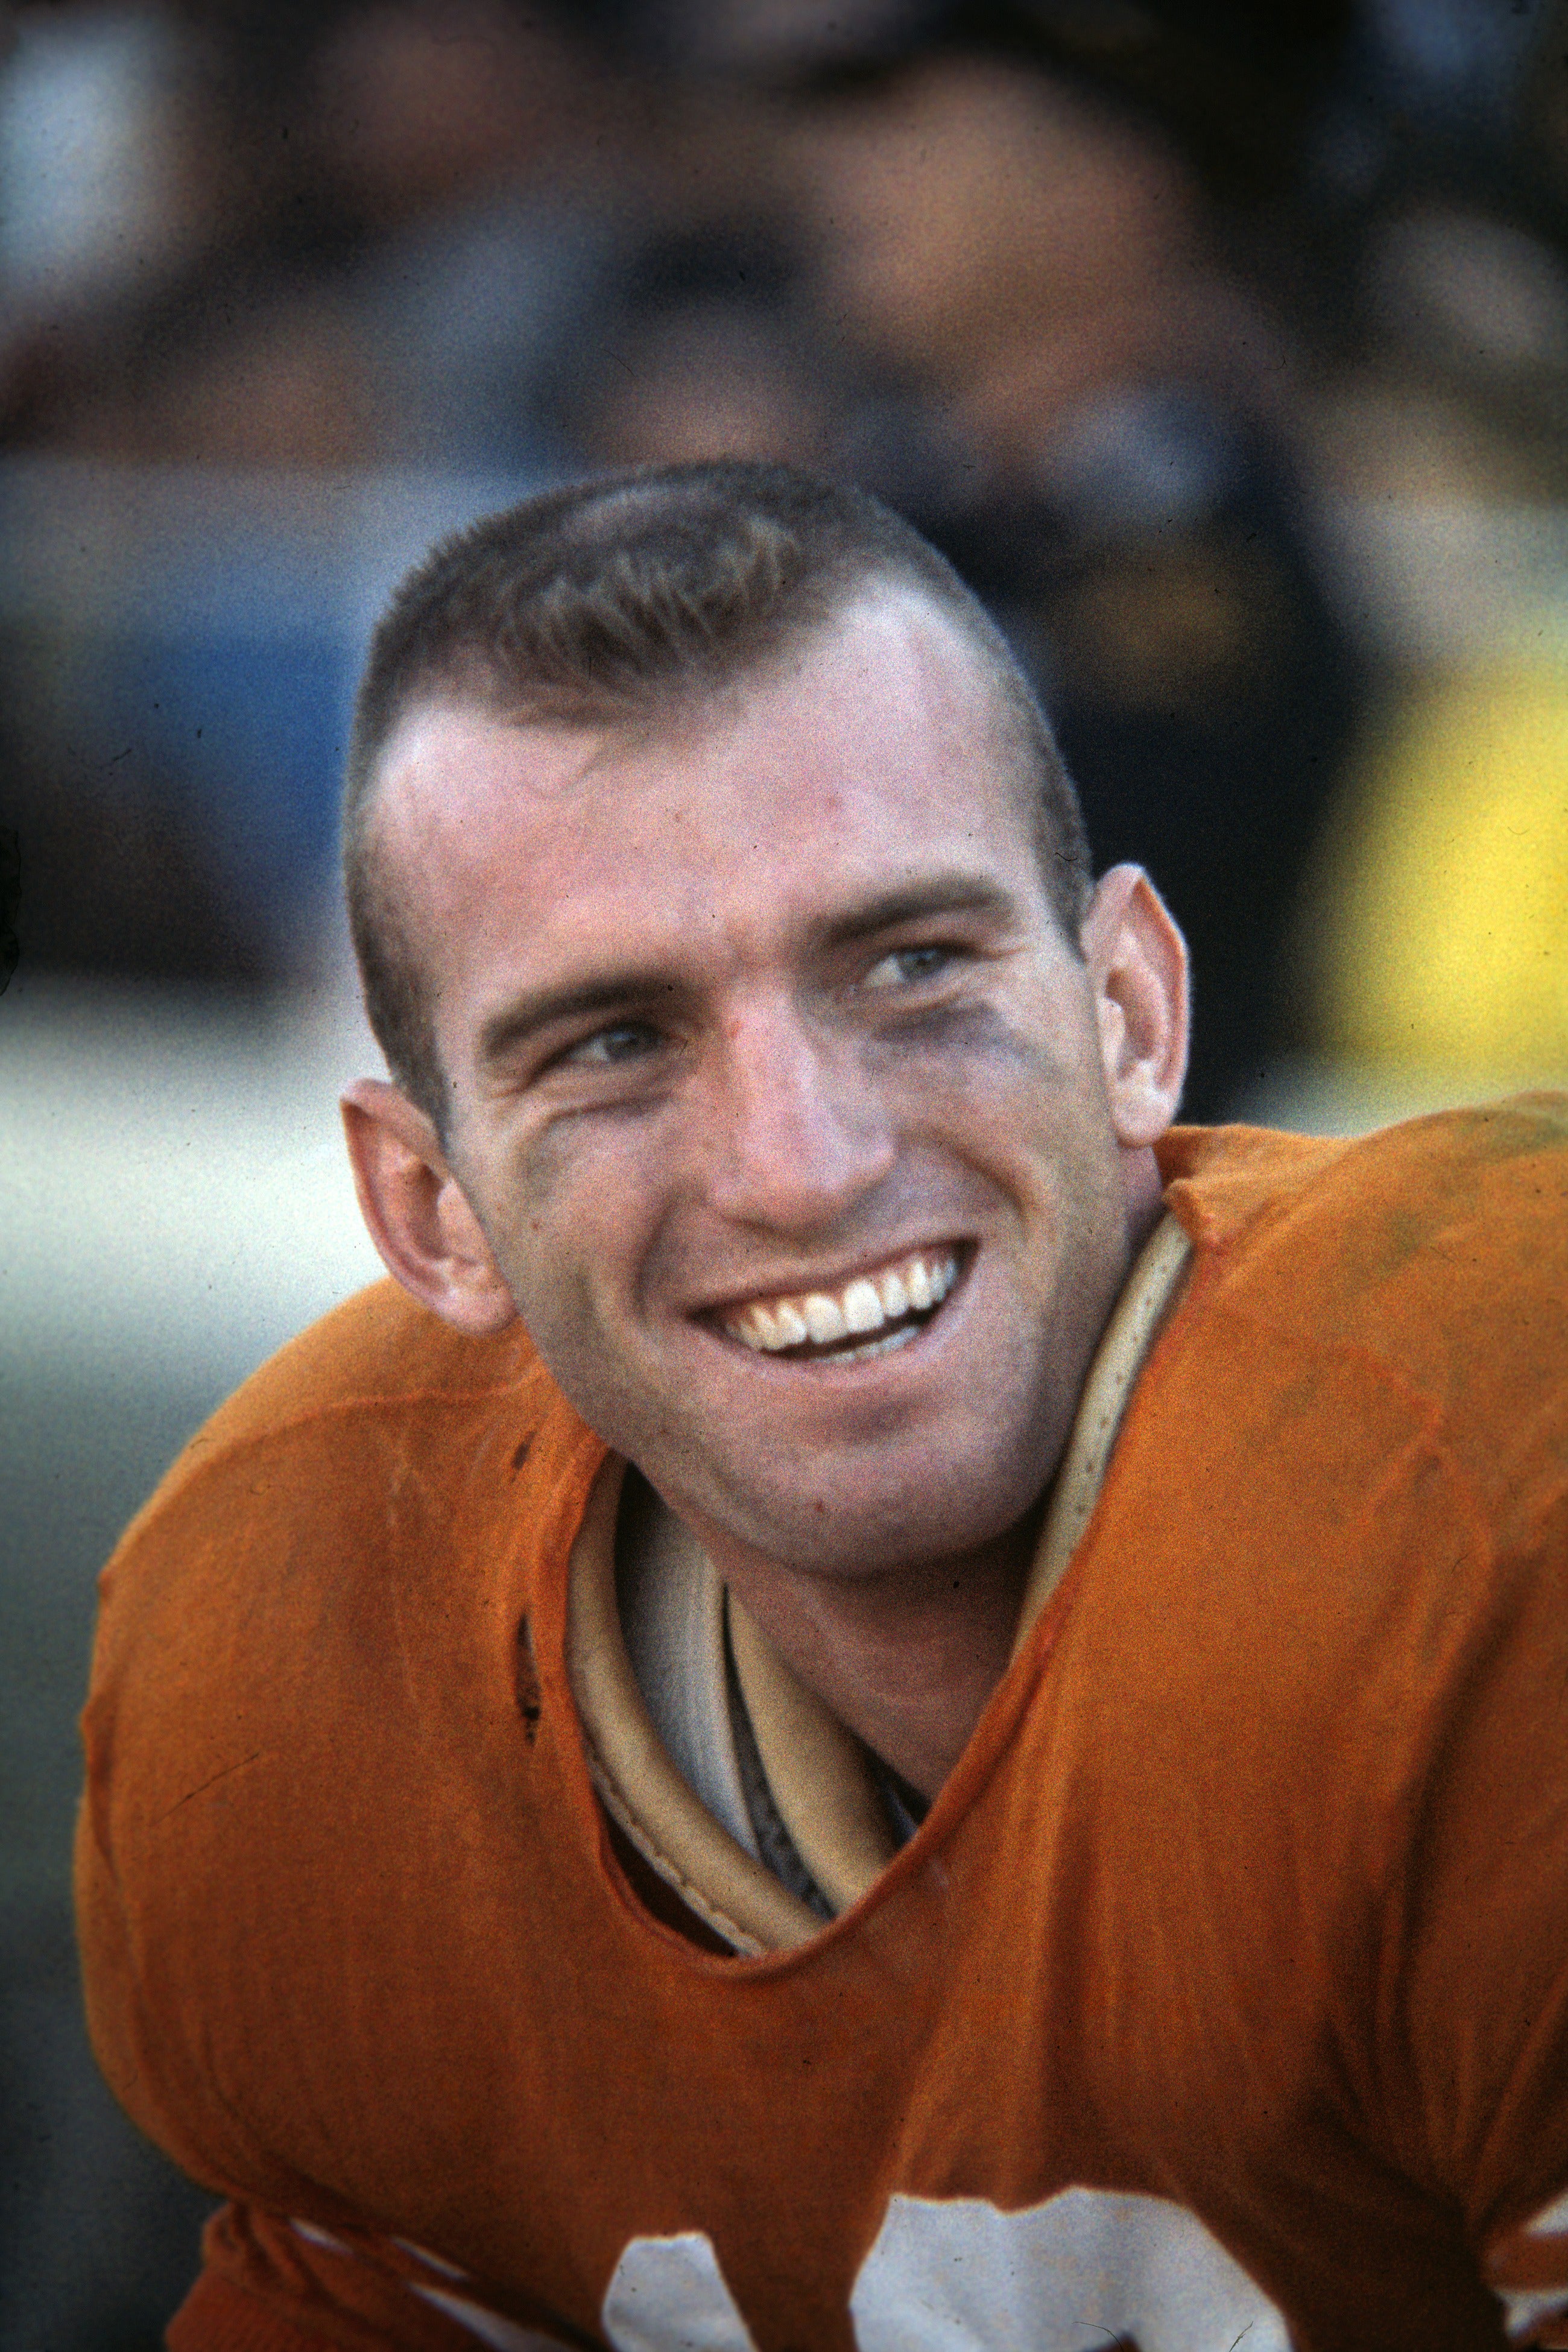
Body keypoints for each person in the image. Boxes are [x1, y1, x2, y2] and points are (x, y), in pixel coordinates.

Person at [77, 462, 1568, 2352]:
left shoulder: (1496, 1476)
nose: (799, 1164)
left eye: (912, 964)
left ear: (1131, 1011)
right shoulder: (287, 1666)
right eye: (615, 1041)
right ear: (428, 1206)